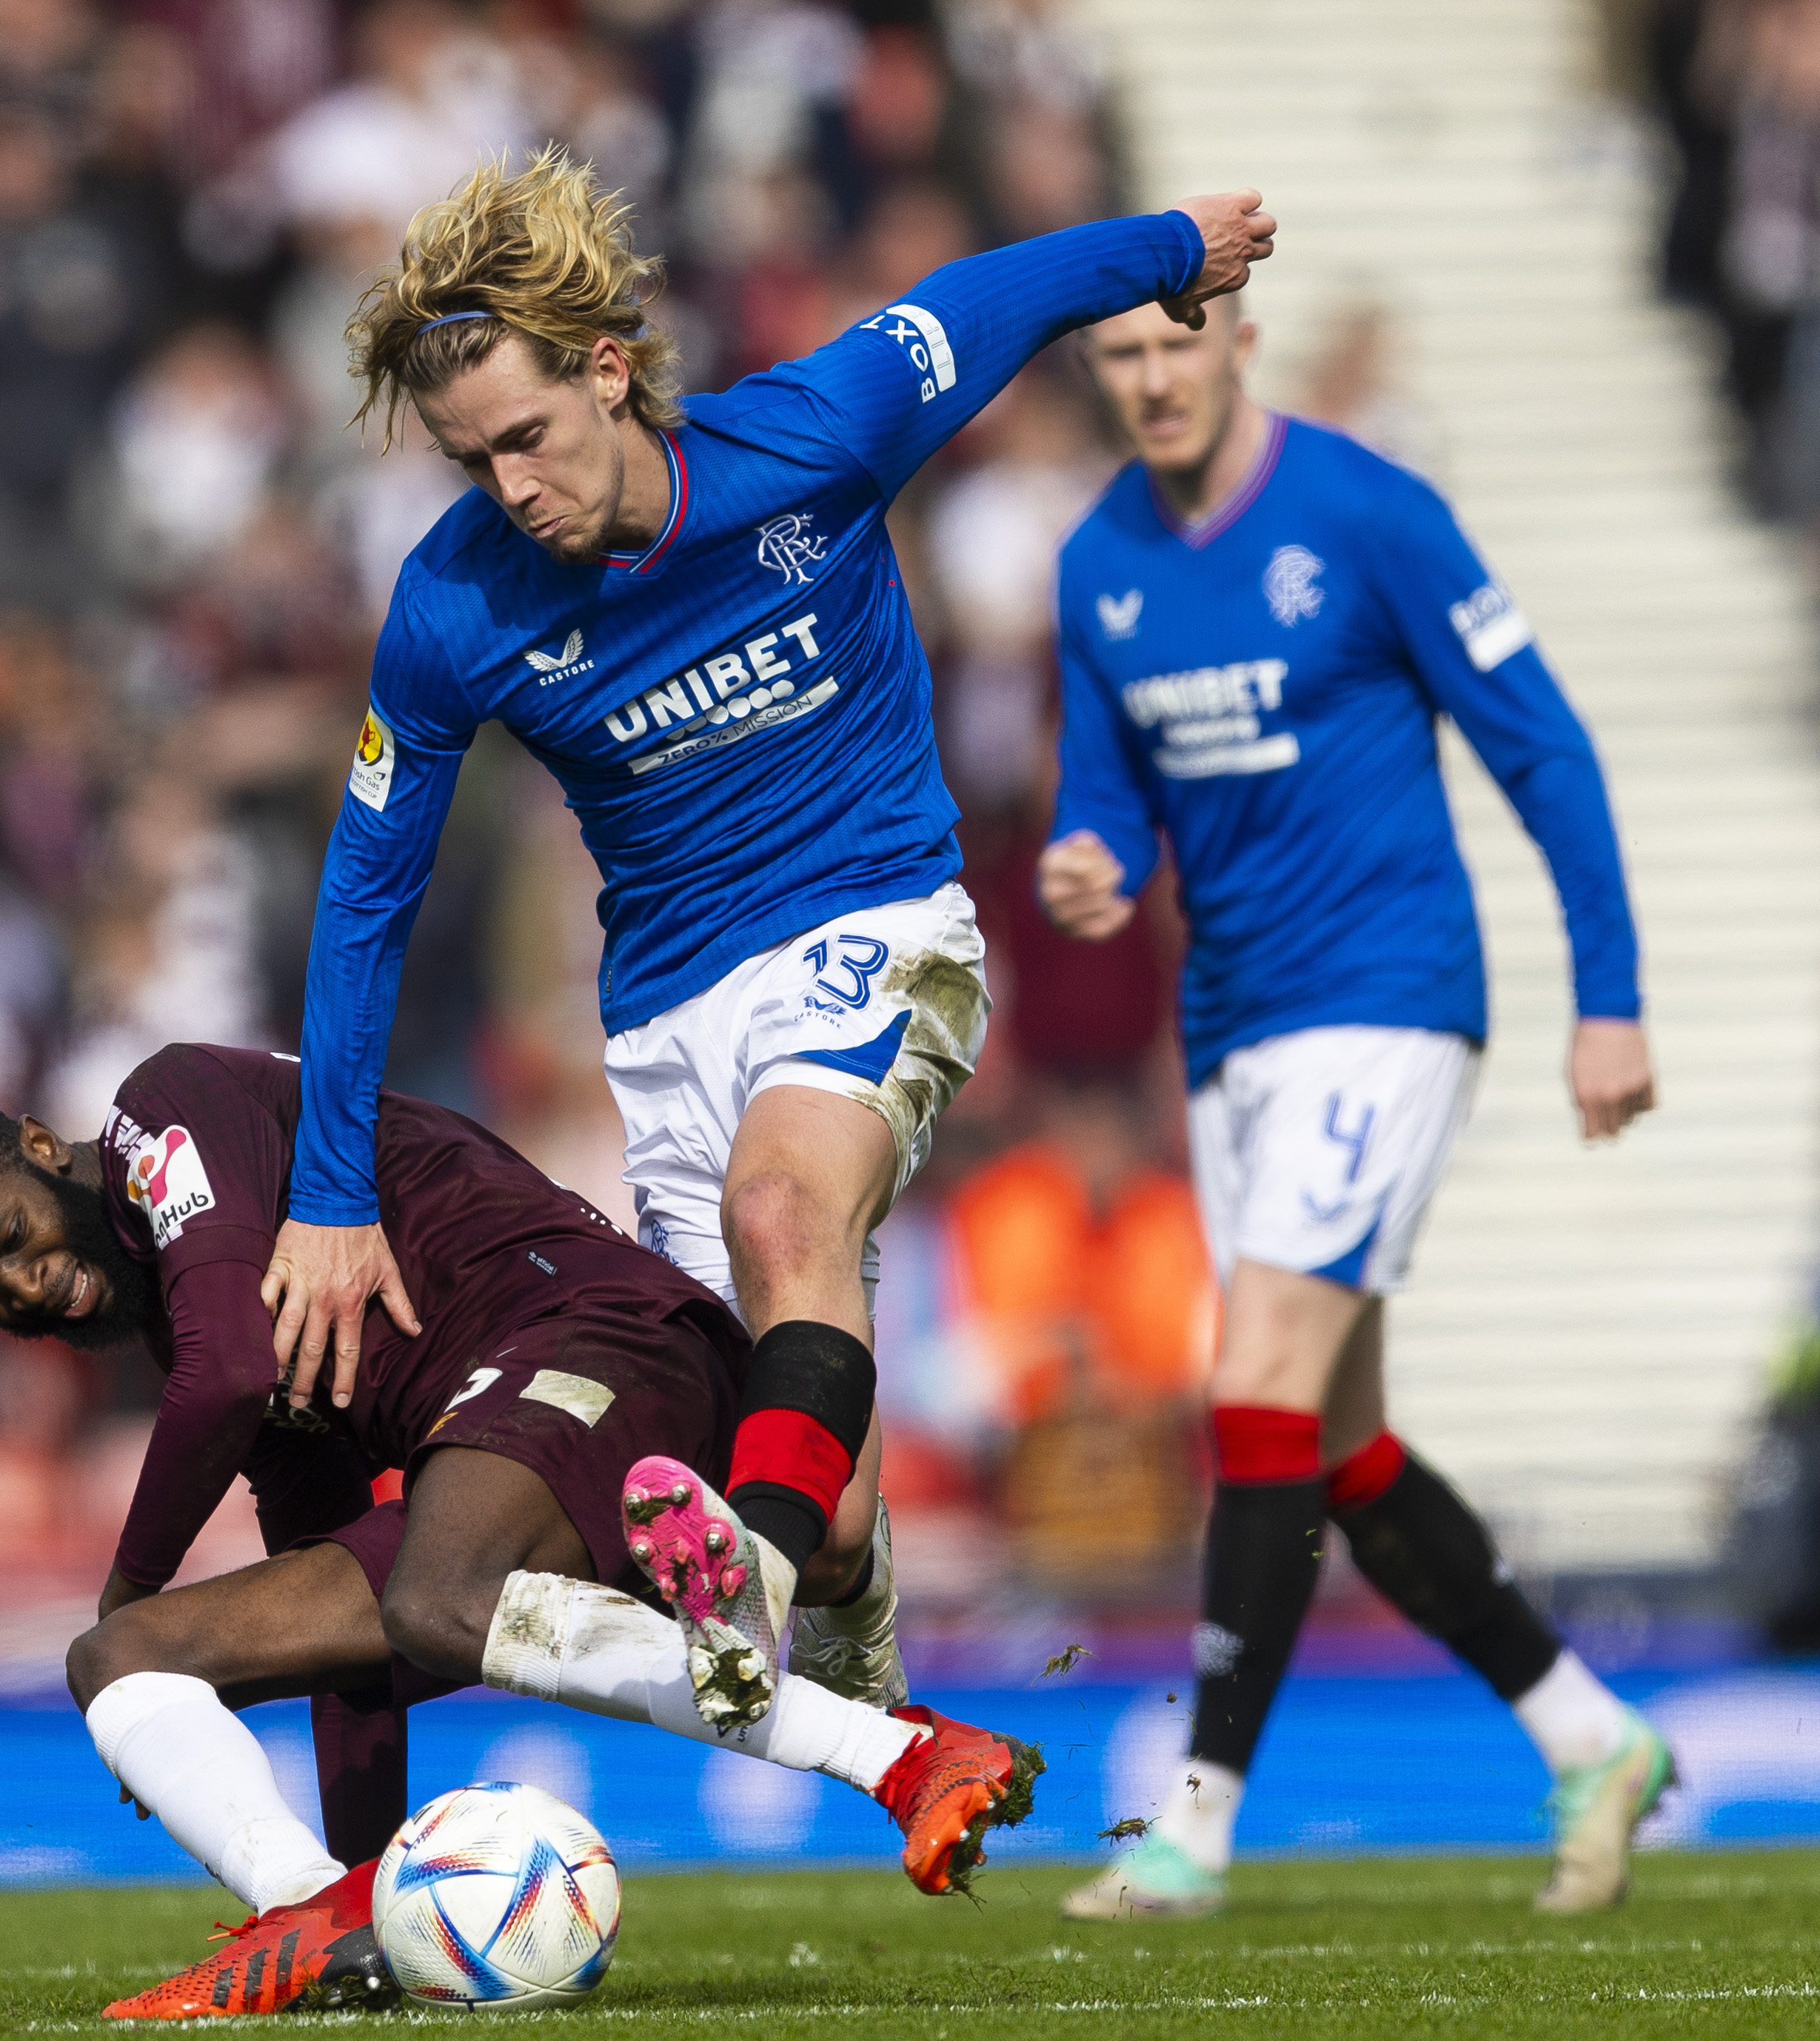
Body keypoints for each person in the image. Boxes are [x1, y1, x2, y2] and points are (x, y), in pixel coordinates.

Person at [267, 146, 1276, 1726]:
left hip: (874, 920)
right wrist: (326, 1193)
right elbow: (364, 891)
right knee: (823, 1463)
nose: (512, 490)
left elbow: (973, 308)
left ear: (608, 372)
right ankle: (845, 1605)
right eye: (475, 464)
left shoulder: (808, 439)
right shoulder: (452, 610)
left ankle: (753, 1563)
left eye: (528, 437)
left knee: (779, 1204)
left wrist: (1164, 247)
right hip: (670, 1020)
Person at [0, 1046, 1041, 2020]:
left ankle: (898, 1753)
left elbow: (223, 1378)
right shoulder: (196, 1323)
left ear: (43, 1156)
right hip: (515, 1440)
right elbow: (340, 1651)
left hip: (595, 1332)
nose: (28, 1286)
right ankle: (312, 1910)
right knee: (121, 1663)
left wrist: (125, 1578)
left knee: (420, 1595)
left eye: (11, 1239)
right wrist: (369, 1893)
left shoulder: (165, 1116)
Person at [1037, 298, 1672, 1920]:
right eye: (1119, 357)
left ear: (1239, 337)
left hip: (1386, 998)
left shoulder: (1369, 514)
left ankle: (1193, 1823)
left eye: (1179, 346)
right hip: (1231, 1030)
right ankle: (1589, 1737)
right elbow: (1109, 789)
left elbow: (1542, 746)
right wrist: (1093, 858)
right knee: (1330, 1441)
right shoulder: (1097, 561)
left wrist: (1607, 995)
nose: (1154, 378)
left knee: (1248, 1379)